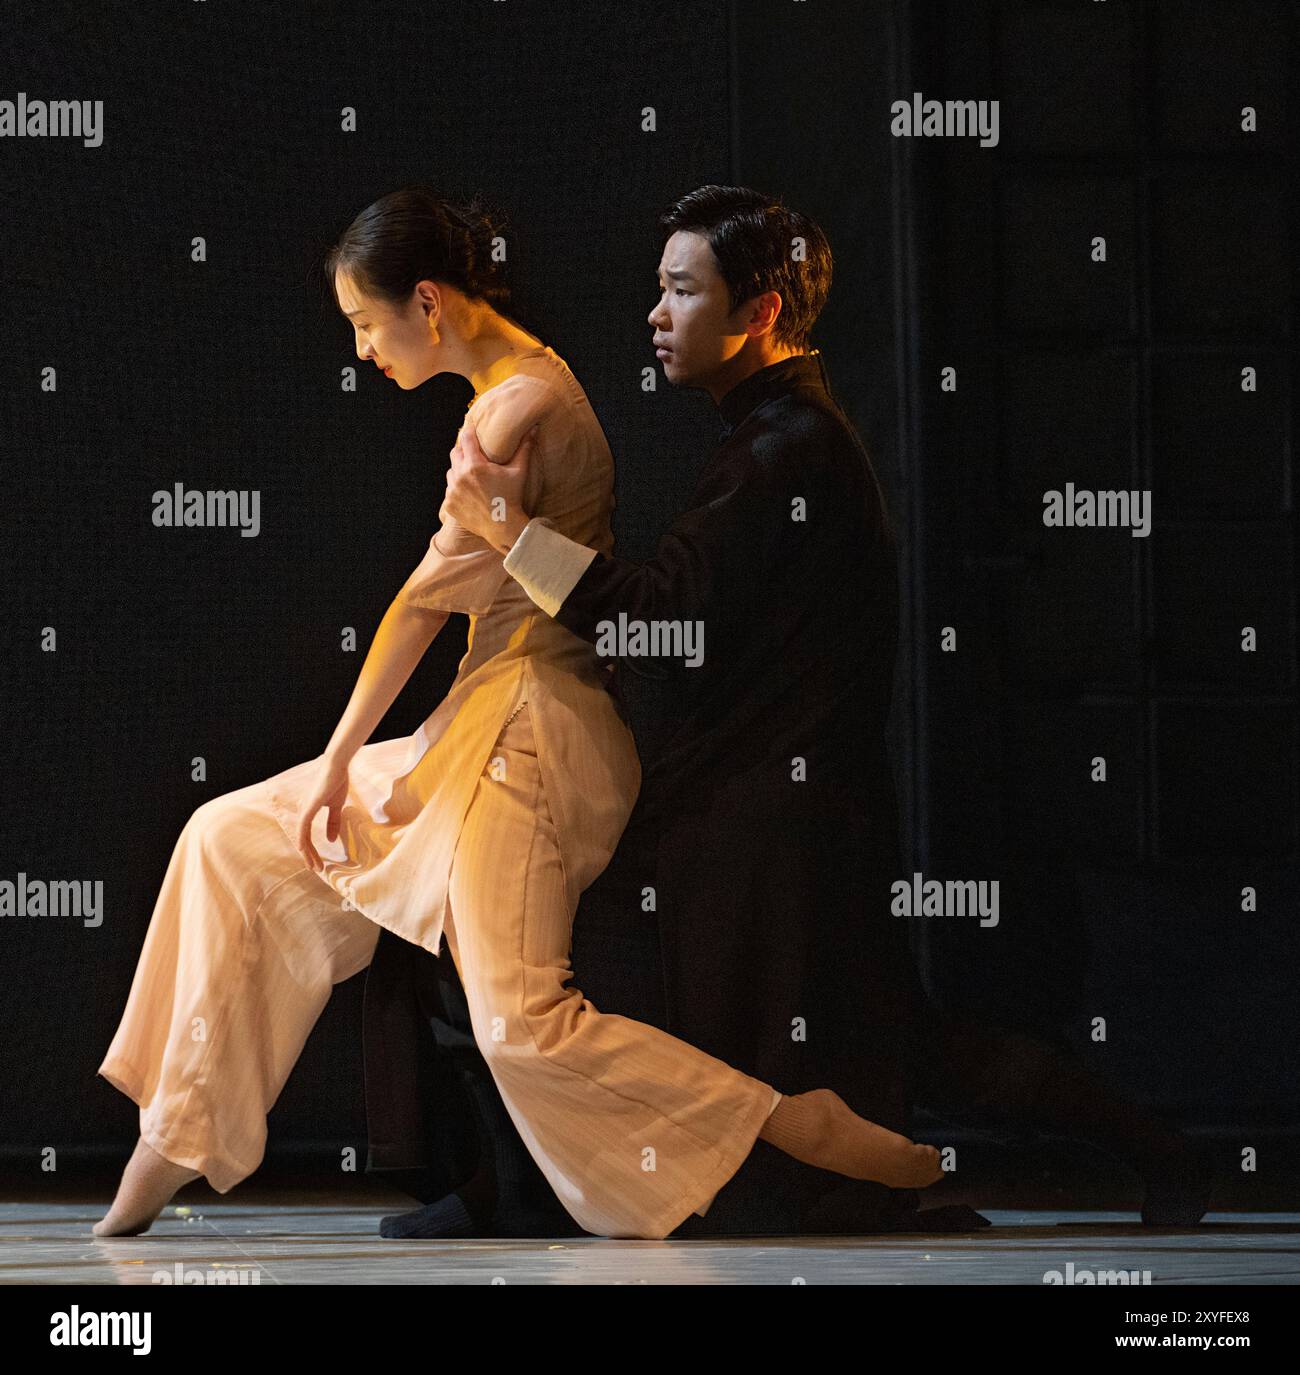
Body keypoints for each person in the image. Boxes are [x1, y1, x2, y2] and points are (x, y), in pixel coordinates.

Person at [92, 185, 946, 1241]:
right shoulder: (508, 391)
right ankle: (176, 1130)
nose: (363, 351)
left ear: (431, 303)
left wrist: (337, 755)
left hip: (536, 738)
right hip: (482, 722)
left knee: (521, 1025)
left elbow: (431, 595)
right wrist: (335, 760)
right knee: (228, 838)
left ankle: (788, 1122)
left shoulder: (520, 408)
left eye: (367, 323)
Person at [425, 184, 1217, 1235]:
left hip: (768, 825)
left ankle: (529, 1193)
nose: (655, 316)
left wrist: (507, 528)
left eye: (679, 291)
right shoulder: (781, 438)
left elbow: (660, 616)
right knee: (897, 1040)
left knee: (586, 986)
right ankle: (1138, 1157)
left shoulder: (779, 451)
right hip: (786, 813)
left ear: (755, 314)